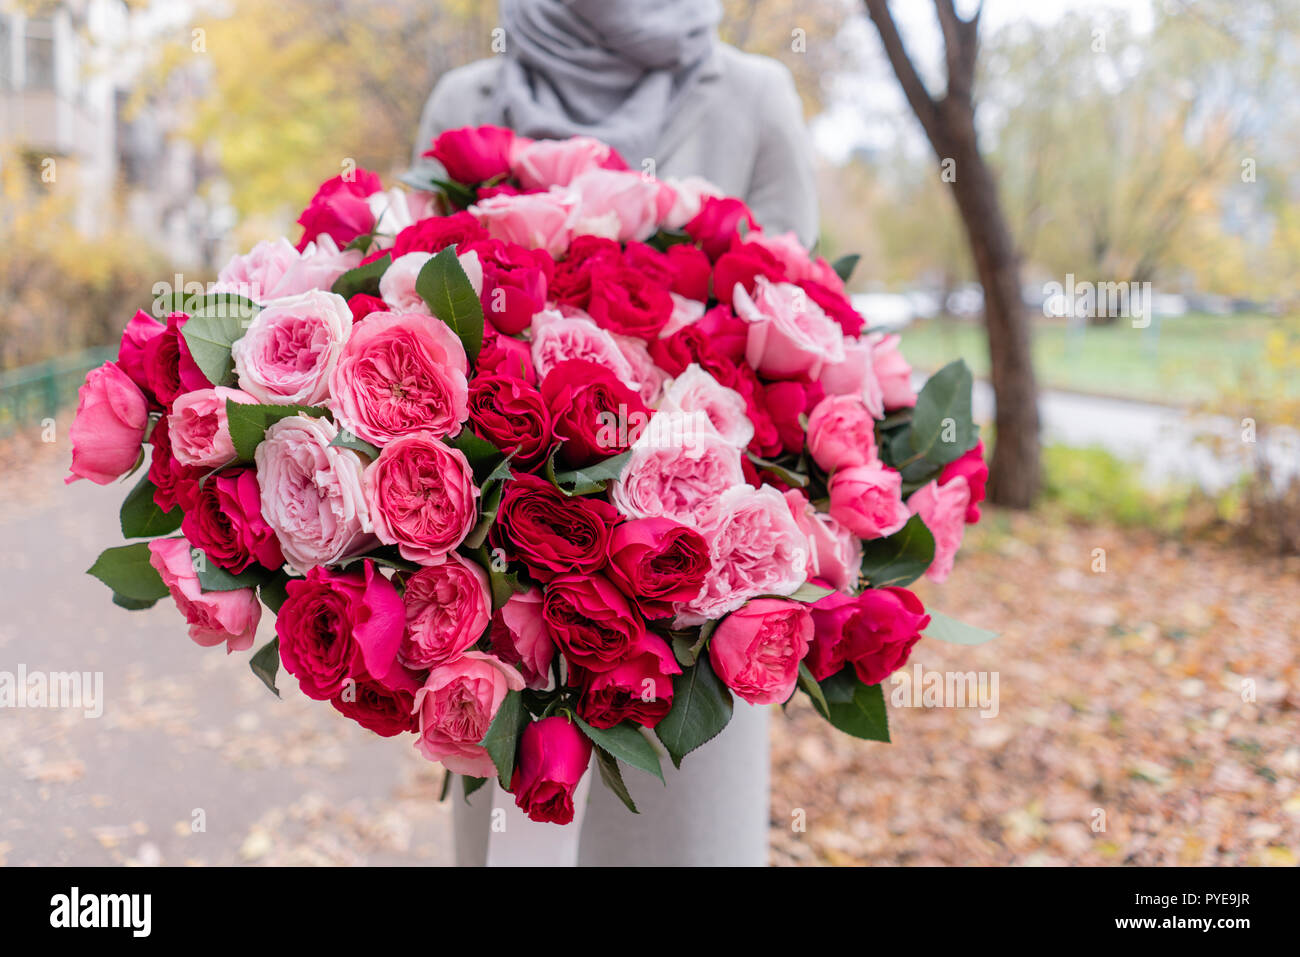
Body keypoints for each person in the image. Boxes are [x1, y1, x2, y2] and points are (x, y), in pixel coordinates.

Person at [412, 0, 819, 866]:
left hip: (692, 617)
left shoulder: (755, 97)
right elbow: (415, 318)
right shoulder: (465, 101)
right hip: (504, 631)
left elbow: (803, 336)